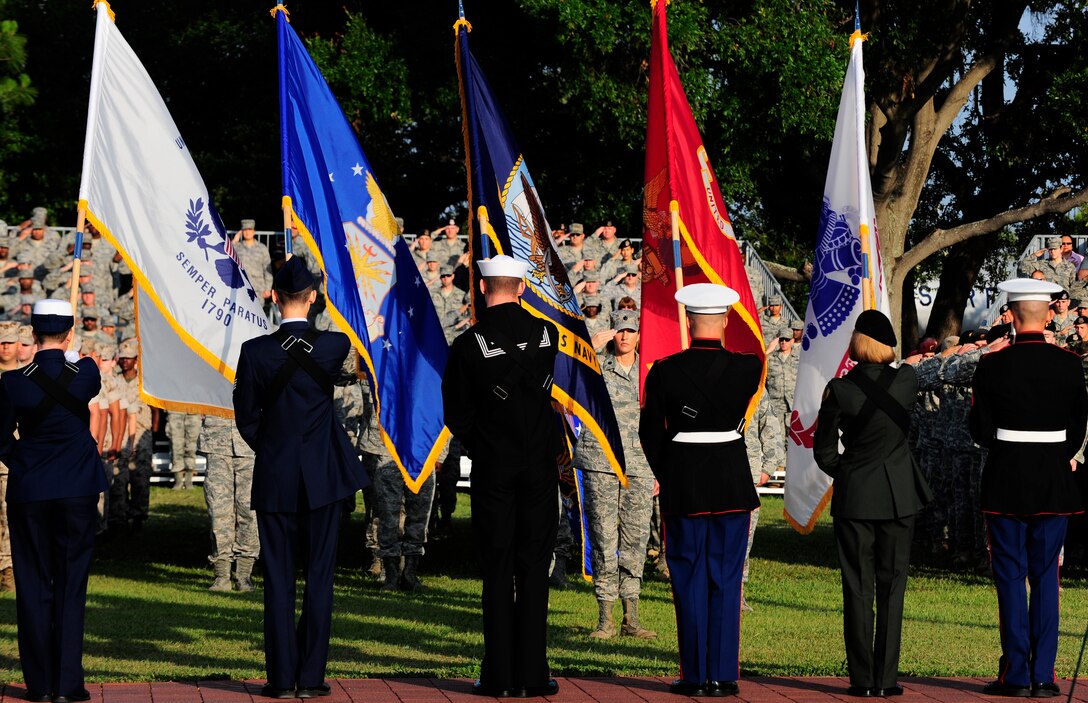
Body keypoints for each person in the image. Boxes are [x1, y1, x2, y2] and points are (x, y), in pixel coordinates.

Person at [233, 256, 369, 700]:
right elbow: (358, 360)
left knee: (277, 580)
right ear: (313, 297)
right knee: (320, 578)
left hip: (275, 477)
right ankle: (310, 678)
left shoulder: (254, 351)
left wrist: (274, 451)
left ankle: (279, 678)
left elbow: (246, 419)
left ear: (273, 297)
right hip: (324, 478)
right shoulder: (333, 346)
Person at [441, 254, 561, 698]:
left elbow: (456, 413)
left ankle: (499, 677)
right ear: (523, 288)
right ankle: (532, 673)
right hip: (538, 467)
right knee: (532, 568)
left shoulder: (468, 344)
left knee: (496, 569)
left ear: (483, 289)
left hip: (494, 467)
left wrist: (483, 442)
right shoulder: (547, 335)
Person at [639, 283, 762, 697]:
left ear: (687, 321)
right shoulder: (747, 368)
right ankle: (723, 675)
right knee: (726, 578)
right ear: (725, 319)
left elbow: (649, 433)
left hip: (686, 483)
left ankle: (693, 676)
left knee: (688, 577)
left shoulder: (664, 370)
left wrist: (669, 471)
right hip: (730, 482)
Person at [969, 278, 1087, 698]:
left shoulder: (991, 364)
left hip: (1005, 481)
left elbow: (980, 431)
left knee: (1010, 577)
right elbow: (1077, 431)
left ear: (1013, 316)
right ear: (1048, 314)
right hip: (1055, 482)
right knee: (1046, 577)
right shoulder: (1070, 364)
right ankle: (1044, 676)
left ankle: (1016, 675)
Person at [813, 310, 932, 698]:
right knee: (892, 588)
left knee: (857, 589)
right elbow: (908, 373)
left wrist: (848, 473)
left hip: (856, 497)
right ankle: (886, 679)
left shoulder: (839, 389)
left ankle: (862, 681)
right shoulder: (908, 380)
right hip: (899, 495)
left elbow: (824, 452)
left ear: (857, 344)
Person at [0, 299, 108, 703]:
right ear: (69, 333)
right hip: (77, 488)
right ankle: (66, 684)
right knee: (70, 584)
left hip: (30, 490)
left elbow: (1, 437)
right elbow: (88, 374)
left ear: (31, 334)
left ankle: (40, 684)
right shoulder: (85, 373)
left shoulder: (12, 382)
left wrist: (25, 461)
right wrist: (73, 354)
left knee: (31, 583)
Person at [575, 310, 656, 640]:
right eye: (620, 330)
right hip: (601, 461)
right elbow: (567, 381)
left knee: (635, 539)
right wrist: (590, 348)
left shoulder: (650, 371)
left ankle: (631, 617)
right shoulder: (595, 365)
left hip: (640, 464)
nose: (624, 336)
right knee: (604, 537)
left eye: (631, 330)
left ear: (639, 336)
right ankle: (605, 617)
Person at [198, 414, 260, 592]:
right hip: (217, 440)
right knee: (219, 510)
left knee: (250, 511)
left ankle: (244, 575)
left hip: (250, 443)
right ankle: (222, 575)